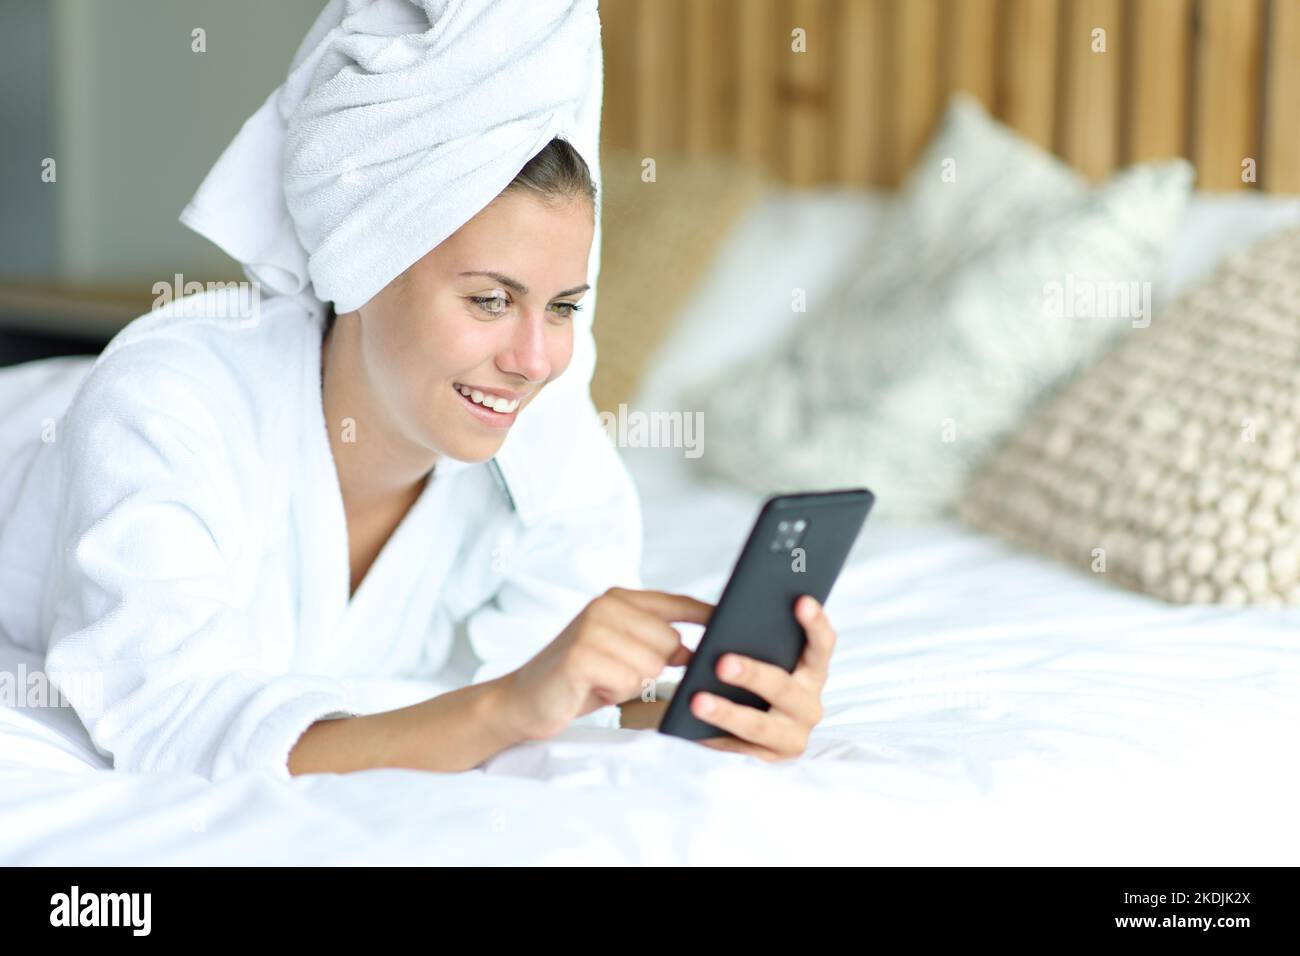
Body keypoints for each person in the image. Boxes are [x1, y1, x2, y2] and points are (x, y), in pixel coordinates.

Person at [0, 1, 836, 782]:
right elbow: (166, 713)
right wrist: (502, 709)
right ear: (361, 267)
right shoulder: (164, 407)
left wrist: (703, 709)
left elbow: (564, 681)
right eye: (489, 300)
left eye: (565, 307)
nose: (537, 359)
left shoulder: (544, 440)